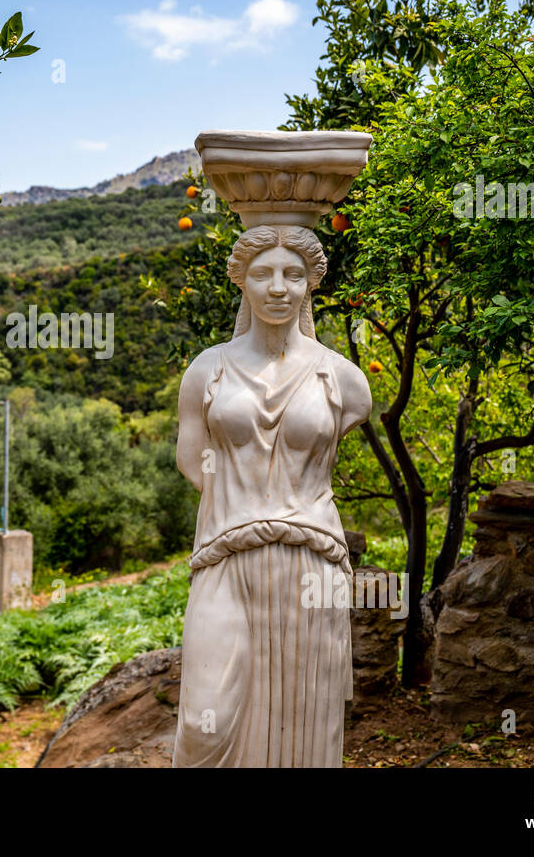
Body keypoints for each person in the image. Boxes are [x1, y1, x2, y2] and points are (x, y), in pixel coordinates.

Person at [173, 223, 371, 767]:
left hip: (312, 564)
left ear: (311, 284)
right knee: (202, 722)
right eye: (263, 274)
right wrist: (237, 505)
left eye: (294, 274)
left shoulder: (345, 380)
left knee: (307, 722)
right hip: (225, 554)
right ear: (241, 281)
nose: (278, 287)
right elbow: (192, 460)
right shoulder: (206, 370)